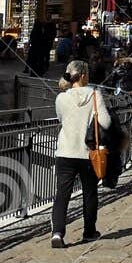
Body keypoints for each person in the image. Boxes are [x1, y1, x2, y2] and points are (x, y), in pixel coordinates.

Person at [50, 59, 111, 249]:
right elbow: (106, 122)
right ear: (84, 76)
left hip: (65, 151)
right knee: (89, 193)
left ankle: (57, 233)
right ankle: (89, 232)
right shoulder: (95, 94)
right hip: (87, 153)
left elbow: (61, 120)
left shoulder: (61, 98)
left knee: (62, 194)